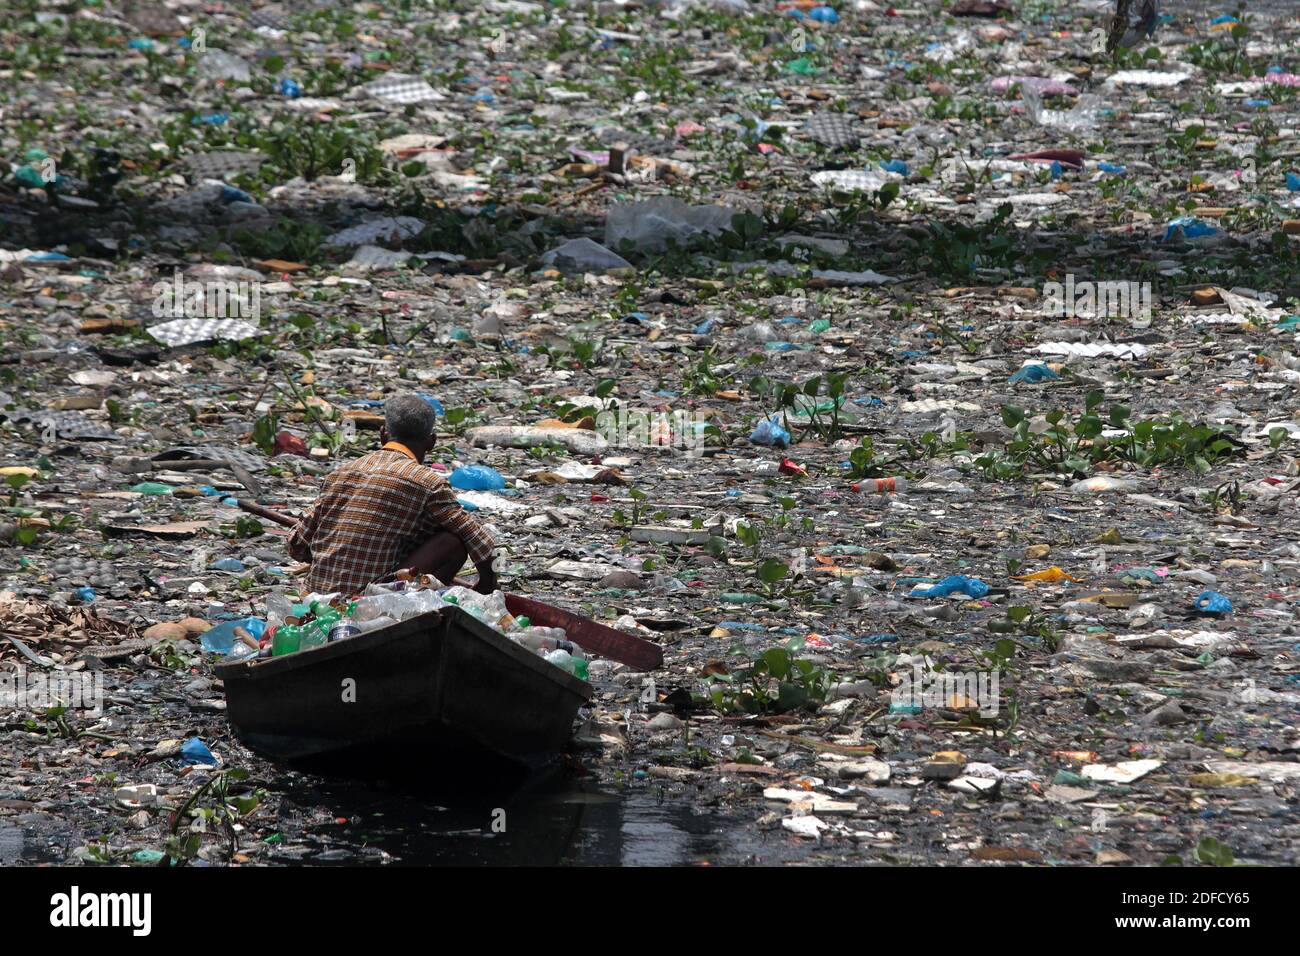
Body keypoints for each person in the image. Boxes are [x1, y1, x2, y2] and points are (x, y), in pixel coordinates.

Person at [287, 392, 498, 596]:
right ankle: (414, 613)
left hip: (315, 597)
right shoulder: (427, 482)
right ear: (431, 442)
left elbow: (297, 546)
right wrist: (488, 585)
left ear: (382, 434)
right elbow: (477, 539)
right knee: (452, 541)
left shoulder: (339, 474)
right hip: (368, 602)